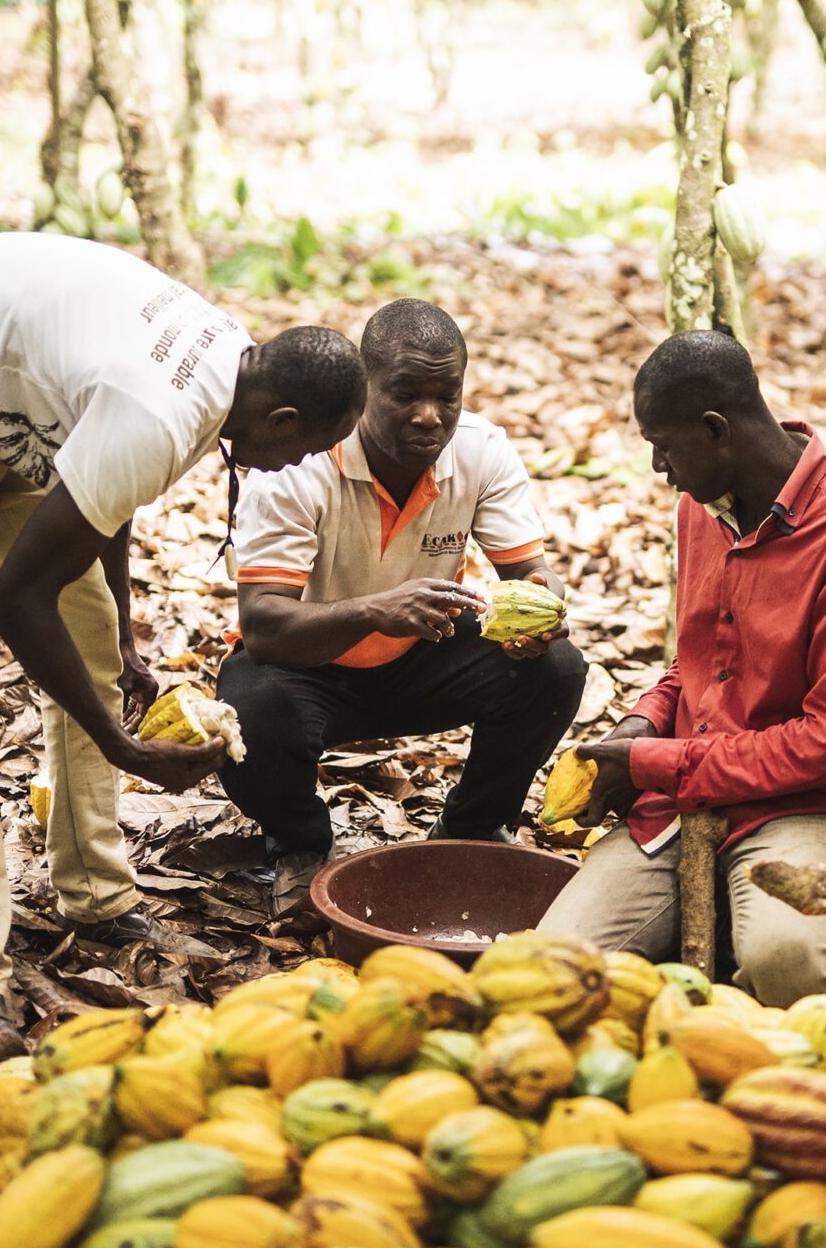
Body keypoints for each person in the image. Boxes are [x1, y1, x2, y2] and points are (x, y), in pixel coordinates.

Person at [0, 231, 365, 1069]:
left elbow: (101, 488)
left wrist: (118, 628)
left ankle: (96, 894)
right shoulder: (167, 407)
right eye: (297, 451)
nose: (285, 468)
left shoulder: (229, 368)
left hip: (10, 403)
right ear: (282, 417)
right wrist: (125, 747)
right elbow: (13, 599)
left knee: (90, 646)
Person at [541, 330, 826, 1006]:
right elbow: (695, 668)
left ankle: (756, 934)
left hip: (799, 808)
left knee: (792, 970)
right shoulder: (700, 507)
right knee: (550, 974)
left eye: (663, 445)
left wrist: (659, 763)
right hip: (679, 806)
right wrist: (639, 723)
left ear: (716, 432)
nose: (659, 467)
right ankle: (709, 923)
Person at [217, 298, 586, 915]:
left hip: (425, 653)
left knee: (557, 668)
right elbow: (263, 626)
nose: (428, 417)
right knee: (250, 710)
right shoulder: (301, 460)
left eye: (447, 396)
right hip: (306, 663)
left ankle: (473, 830)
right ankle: (300, 842)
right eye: (405, 394)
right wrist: (374, 610)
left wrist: (543, 612)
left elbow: (529, 573)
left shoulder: (480, 451)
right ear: (363, 390)